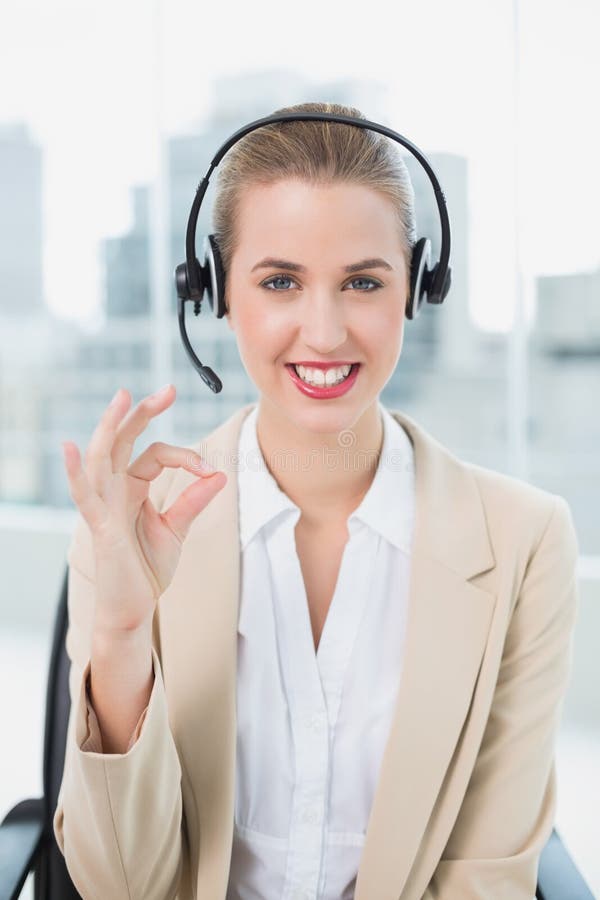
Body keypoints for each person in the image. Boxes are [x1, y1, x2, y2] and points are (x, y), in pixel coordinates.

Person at [53, 101, 580, 900]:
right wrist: (123, 636)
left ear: (415, 289)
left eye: (363, 281)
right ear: (216, 291)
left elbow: (485, 875)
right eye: (280, 282)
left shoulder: (524, 542)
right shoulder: (128, 526)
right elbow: (116, 886)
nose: (325, 332)